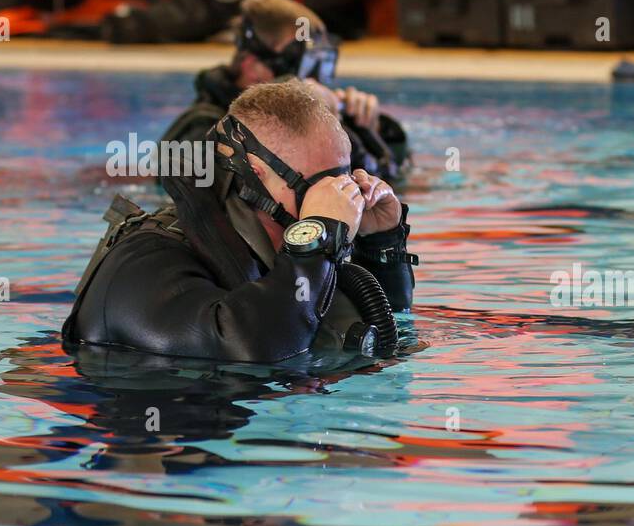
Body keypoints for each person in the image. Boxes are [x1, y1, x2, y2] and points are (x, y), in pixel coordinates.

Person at [65, 80, 416, 363]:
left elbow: (390, 321)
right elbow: (253, 349)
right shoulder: (146, 264)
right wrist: (319, 235)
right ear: (256, 176)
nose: (337, 197)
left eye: (343, 180)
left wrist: (380, 241)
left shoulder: (272, 254)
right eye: (318, 185)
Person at [161, 0, 411, 182]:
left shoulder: (305, 119)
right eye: (303, 66)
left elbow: (390, 180)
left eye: (321, 65)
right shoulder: (200, 129)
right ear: (252, 66)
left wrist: (372, 129)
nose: (315, 80)